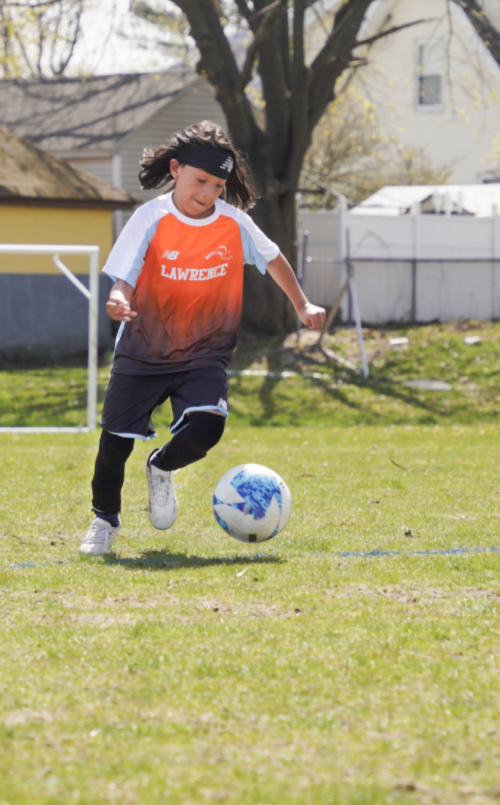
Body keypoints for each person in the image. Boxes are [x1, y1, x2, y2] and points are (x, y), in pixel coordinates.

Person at [79, 122, 326, 556]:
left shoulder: (234, 223)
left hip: (204, 351)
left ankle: (162, 466)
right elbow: (126, 275)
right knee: (113, 445)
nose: (209, 192)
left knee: (209, 426)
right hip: (143, 350)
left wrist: (302, 305)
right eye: (201, 181)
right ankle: (104, 519)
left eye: (218, 185)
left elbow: (275, 260)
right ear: (175, 169)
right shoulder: (150, 218)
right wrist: (118, 298)